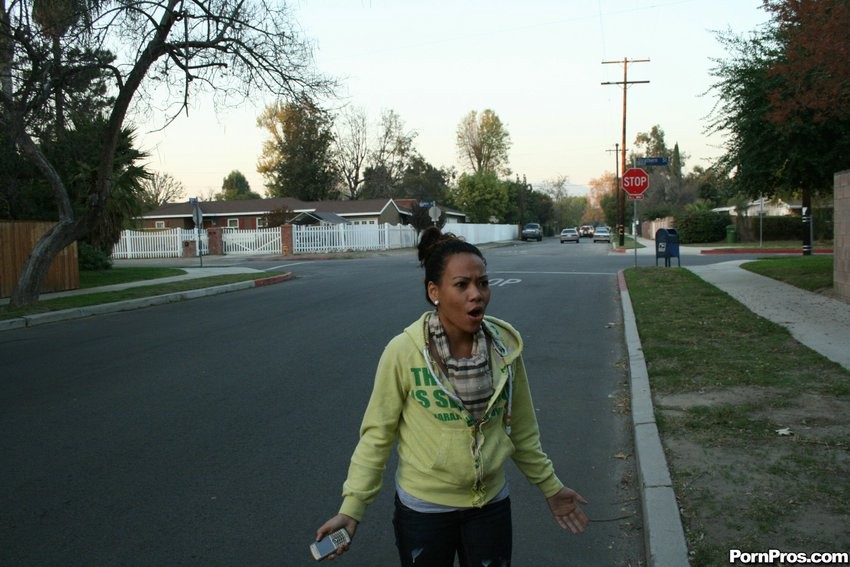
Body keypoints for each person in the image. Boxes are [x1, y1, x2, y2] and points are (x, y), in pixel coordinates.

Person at [315, 227, 588, 565]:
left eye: (483, 283)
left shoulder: (503, 351)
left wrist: (551, 487)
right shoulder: (403, 352)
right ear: (435, 291)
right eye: (462, 285)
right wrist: (352, 508)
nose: (477, 294)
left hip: (490, 507)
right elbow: (377, 436)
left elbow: (520, 429)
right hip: (424, 511)